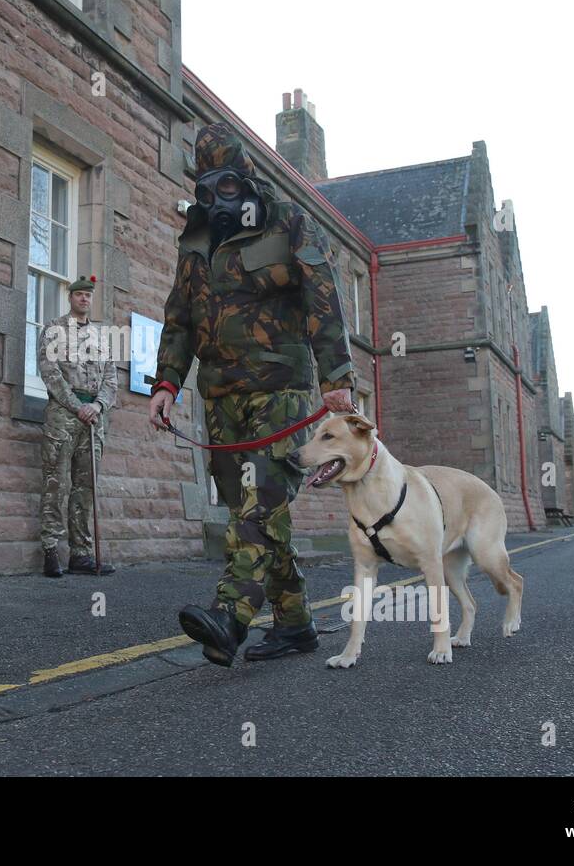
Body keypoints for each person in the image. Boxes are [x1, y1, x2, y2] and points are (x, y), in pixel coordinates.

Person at [149, 123, 357, 666]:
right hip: (219, 397)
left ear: (246, 178)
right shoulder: (194, 239)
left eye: (228, 184)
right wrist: (167, 382)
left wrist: (336, 380)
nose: (218, 196)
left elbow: (323, 298)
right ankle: (296, 625)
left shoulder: (287, 221)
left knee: (260, 502)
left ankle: (230, 617)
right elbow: (179, 317)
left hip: (278, 391)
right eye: (207, 185)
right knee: (253, 509)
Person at [36, 275, 119, 577]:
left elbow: (111, 379)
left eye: (88, 295)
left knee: (85, 488)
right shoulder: (54, 330)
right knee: (56, 482)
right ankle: (50, 551)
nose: (84, 299)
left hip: (93, 419)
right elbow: (50, 373)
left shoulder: (101, 336)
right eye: (79, 294)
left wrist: (96, 406)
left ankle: (81, 554)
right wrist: (77, 406)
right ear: (70, 298)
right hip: (63, 415)